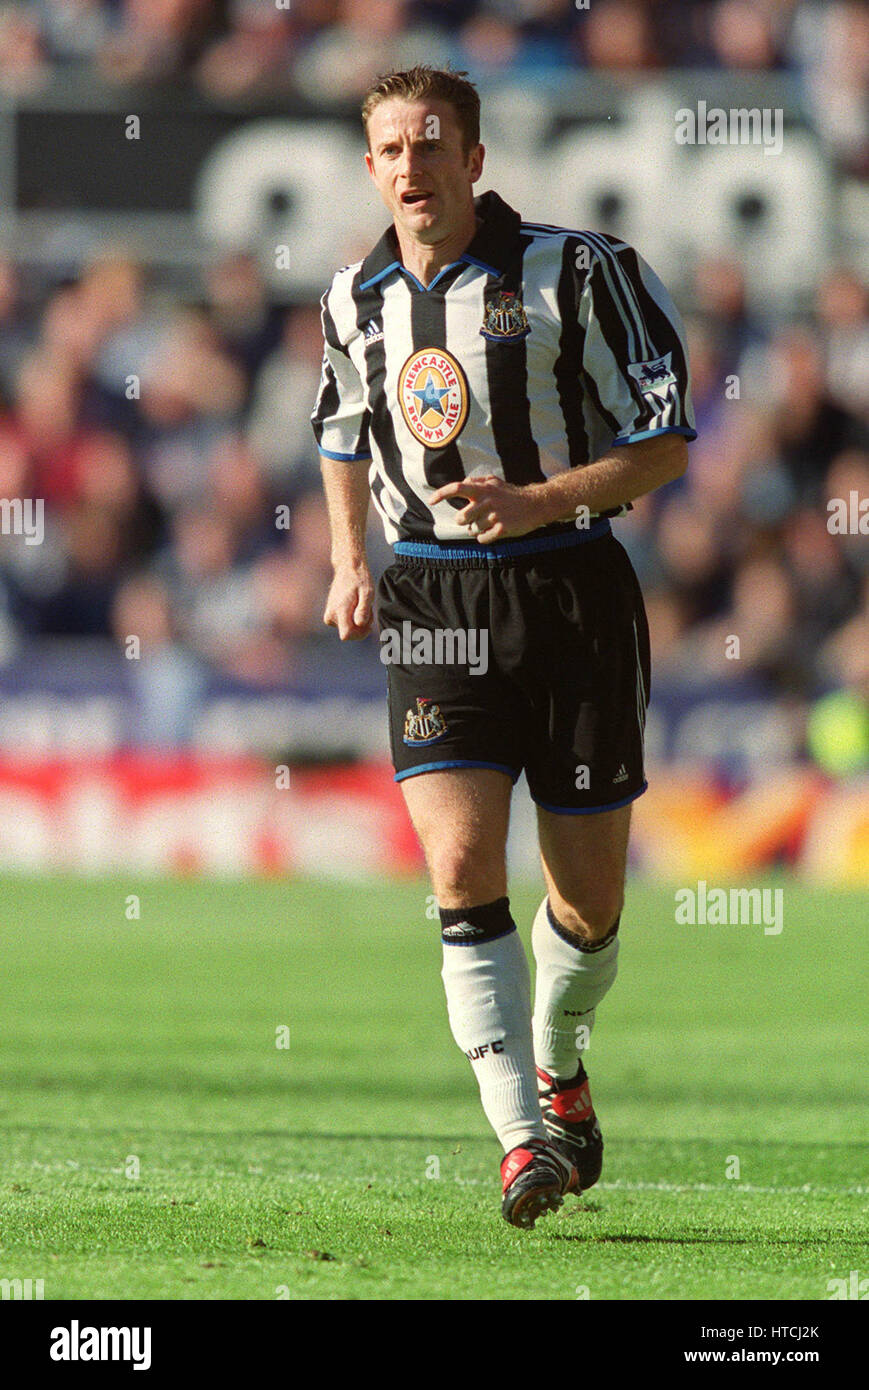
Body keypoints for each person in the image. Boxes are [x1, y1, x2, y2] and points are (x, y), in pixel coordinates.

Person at [312, 65, 696, 1228]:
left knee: (586, 906)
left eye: (431, 146)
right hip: (433, 601)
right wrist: (344, 559)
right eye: (389, 150)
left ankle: (558, 1057)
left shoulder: (579, 273)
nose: (410, 168)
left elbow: (665, 438)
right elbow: (338, 427)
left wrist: (542, 500)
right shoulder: (351, 297)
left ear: (474, 160)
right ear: (370, 166)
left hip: (570, 592)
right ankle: (521, 1143)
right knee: (459, 871)